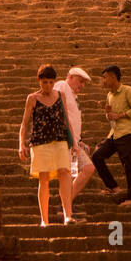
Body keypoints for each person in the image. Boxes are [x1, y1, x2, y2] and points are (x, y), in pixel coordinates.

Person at [18, 65, 75, 227]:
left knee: (64, 173)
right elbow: (24, 124)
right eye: (44, 82)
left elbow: (66, 120)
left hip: (60, 139)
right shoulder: (32, 98)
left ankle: (68, 215)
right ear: (39, 81)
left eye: (51, 82)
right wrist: (21, 144)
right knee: (44, 179)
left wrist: (75, 143)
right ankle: (44, 219)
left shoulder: (61, 95)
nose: (48, 86)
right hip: (40, 142)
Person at [91, 64, 131, 205]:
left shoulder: (127, 90)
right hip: (113, 134)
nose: (103, 81)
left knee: (128, 165)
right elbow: (111, 117)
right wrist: (108, 115)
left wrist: (119, 115)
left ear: (114, 77)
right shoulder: (109, 95)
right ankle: (114, 187)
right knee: (97, 156)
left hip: (126, 133)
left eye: (105, 77)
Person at [54, 67, 95, 204]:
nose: (82, 86)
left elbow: (73, 119)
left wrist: (80, 141)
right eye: (80, 81)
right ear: (70, 77)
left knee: (76, 173)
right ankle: (65, 206)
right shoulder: (62, 85)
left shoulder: (73, 96)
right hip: (65, 141)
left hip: (74, 143)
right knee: (77, 172)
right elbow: (59, 112)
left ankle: (66, 205)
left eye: (84, 83)